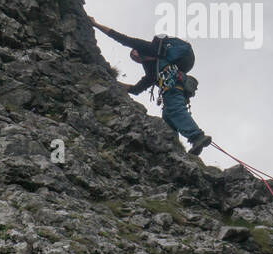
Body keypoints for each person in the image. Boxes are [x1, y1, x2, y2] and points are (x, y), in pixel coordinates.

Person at [90, 17, 213, 156]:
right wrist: (111, 81)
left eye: (134, 54)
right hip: (175, 85)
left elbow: (122, 38)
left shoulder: (151, 49)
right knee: (167, 116)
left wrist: (96, 24)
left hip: (172, 84)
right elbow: (136, 89)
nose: (134, 57)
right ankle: (175, 149)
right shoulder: (151, 71)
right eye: (133, 58)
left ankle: (197, 136)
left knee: (174, 108)